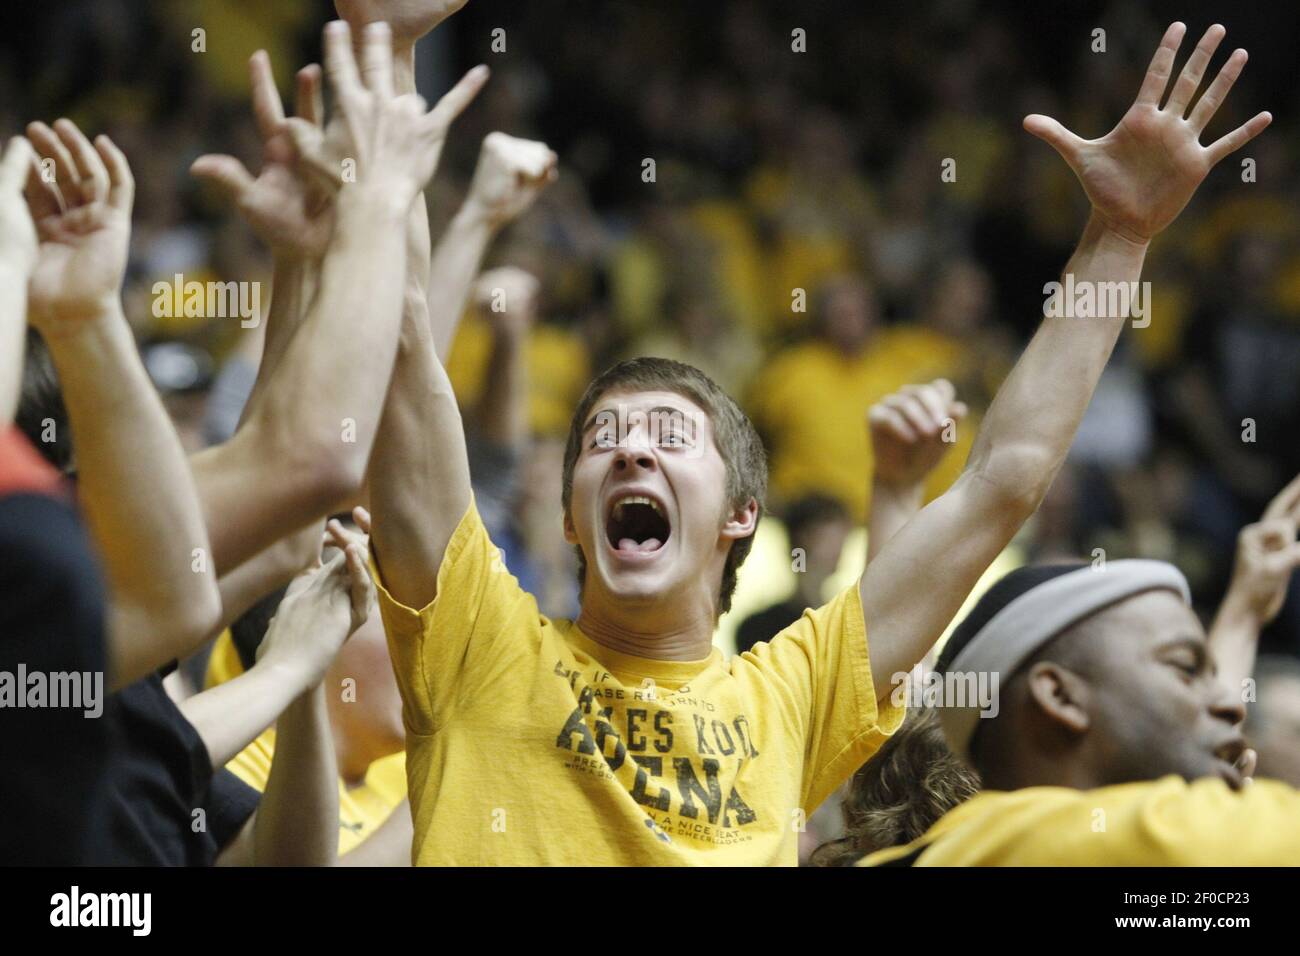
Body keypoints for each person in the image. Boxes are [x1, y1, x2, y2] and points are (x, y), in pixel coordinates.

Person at [348, 16, 1269, 863]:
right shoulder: (477, 634)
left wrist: (1119, 235)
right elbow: (403, 342)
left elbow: (1004, 477)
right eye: (604, 441)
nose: (632, 452)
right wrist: (385, 47)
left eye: (670, 436)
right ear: (571, 522)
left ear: (742, 514)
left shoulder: (791, 695)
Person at [858, 470, 1300, 866]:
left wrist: (1244, 611)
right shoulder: (1136, 841)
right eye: (1184, 668)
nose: (1231, 704)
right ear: (1059, 696)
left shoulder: (954, 846)